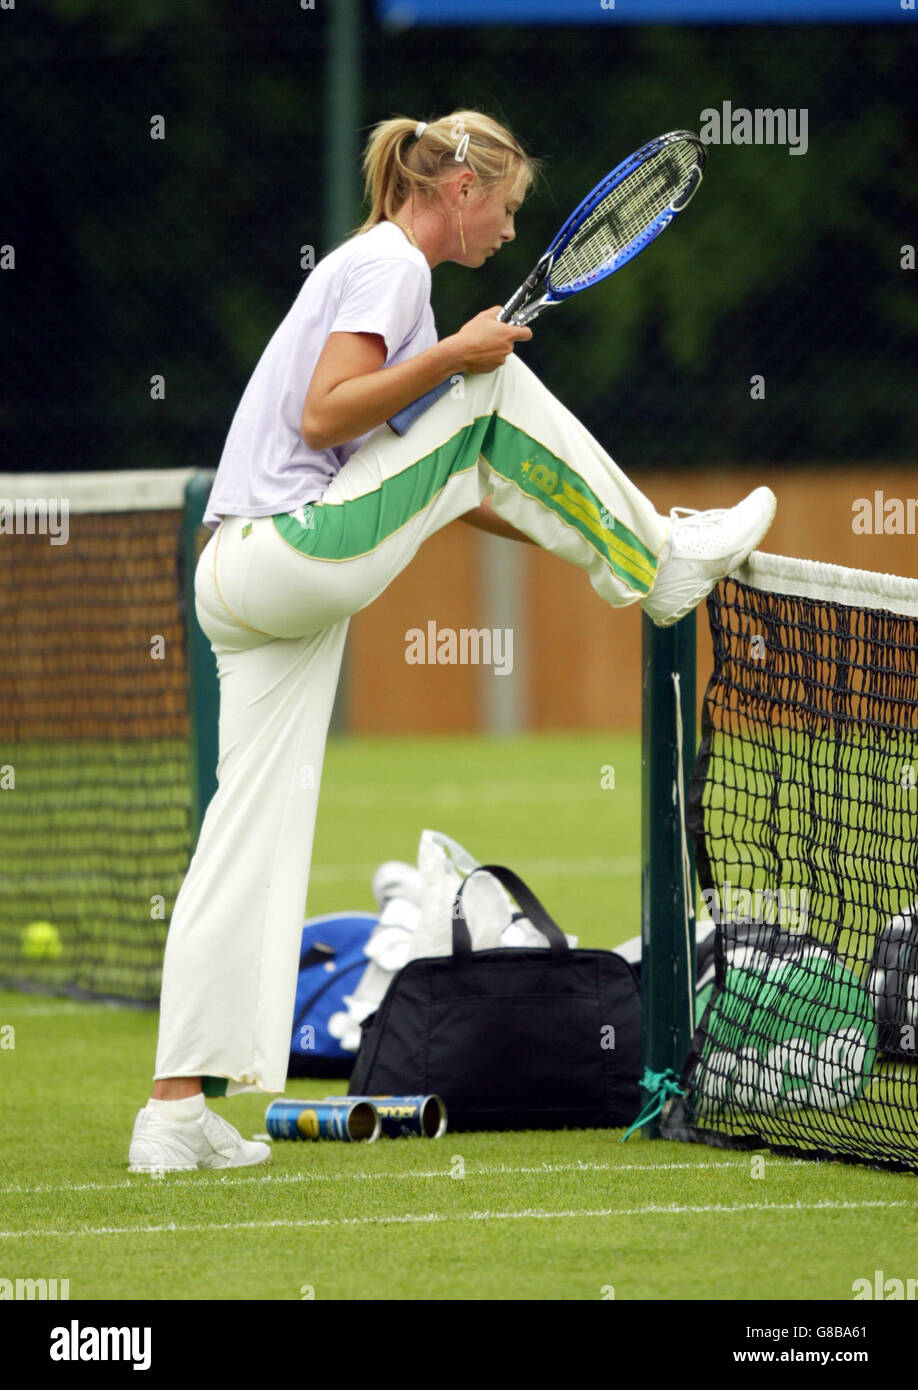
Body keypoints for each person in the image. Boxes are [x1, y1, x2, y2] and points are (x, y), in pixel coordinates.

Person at [128, 110, 775, 1172]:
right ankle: (662, 566)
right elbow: (330, 416)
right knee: (499, 385)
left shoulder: (377, 272)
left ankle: (174, 1111)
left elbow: (457, 472)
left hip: (238, 578)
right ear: (460, 190)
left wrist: (557, 517)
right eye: (510, 208)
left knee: (240, 845)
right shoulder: (394, 268)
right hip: (290, 554)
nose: (515, 232)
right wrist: (468, 358)